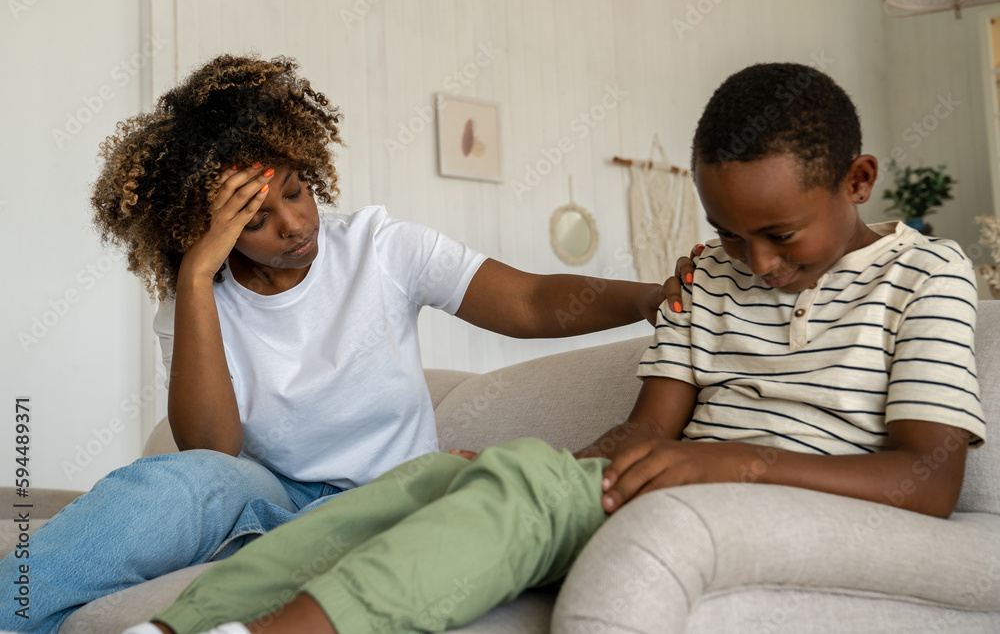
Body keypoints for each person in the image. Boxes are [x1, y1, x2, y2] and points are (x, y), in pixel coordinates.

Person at [123, 61, 985, 634]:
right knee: (433, 476)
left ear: (858, 182)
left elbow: (929, 477)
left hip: (780, 495)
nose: (755, 262)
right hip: (675, 478)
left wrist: (730, 462)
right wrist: (540, 465)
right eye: (729, 233)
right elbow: (649, 430)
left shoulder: (927, 275)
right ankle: (169, 627)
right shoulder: (714, 278)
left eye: (781, 234)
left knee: (507, 477)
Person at [0, 54, 672, 634]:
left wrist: (644, 298)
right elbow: (212, 452)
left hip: (392, 491)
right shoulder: (195, 298)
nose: (293, 224)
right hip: (274, 500)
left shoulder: (379, 247)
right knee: (178, 478)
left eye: (295, 191)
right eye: (254, 219)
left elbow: (528, 300)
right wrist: (197, 277)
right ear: (202, 228)